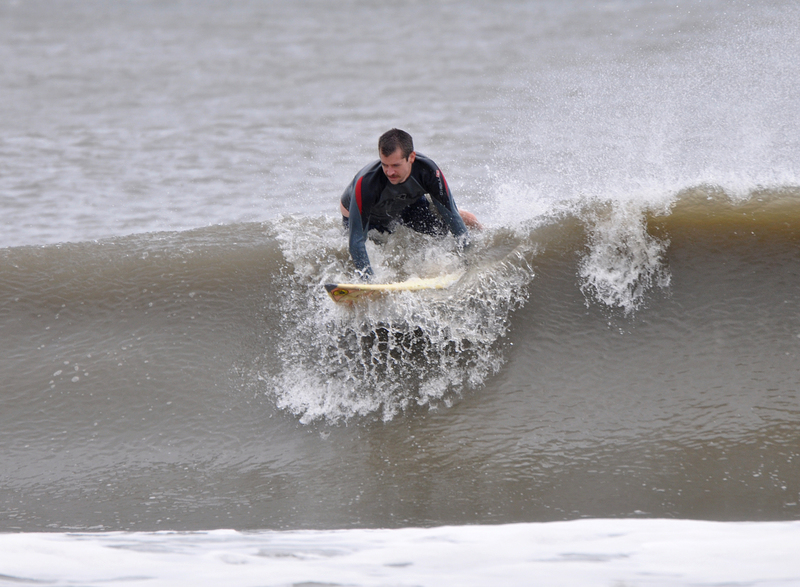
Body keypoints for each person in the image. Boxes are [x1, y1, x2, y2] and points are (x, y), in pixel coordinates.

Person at [339, 128, 481, 279]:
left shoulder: (428, 172)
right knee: (373, 253)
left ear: (411, 157)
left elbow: (451, 218)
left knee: (441, 231)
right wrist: (368, 283)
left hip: (405, 207)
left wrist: (470, 261)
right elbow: (356, 242)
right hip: (369, 219)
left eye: (395, 165)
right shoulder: (368, 183)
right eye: (384, 165)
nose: (389, 172)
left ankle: (477, 225)